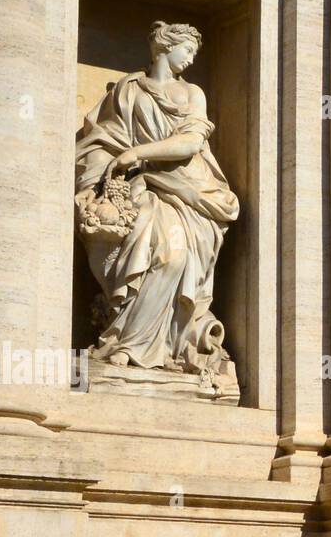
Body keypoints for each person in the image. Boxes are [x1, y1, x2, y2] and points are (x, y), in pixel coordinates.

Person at [75, 20, 239, 375]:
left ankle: (145, 346)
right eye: (187, 50)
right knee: (141, 247)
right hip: (139, 187)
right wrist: (108, 170)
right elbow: (102, 140)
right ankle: (127, 342)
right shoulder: (127, 90)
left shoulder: (192, 93)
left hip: (190, 190)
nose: (191, 60)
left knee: (174, 257)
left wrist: (136, 153)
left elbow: (192, 143)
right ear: (164, 47)